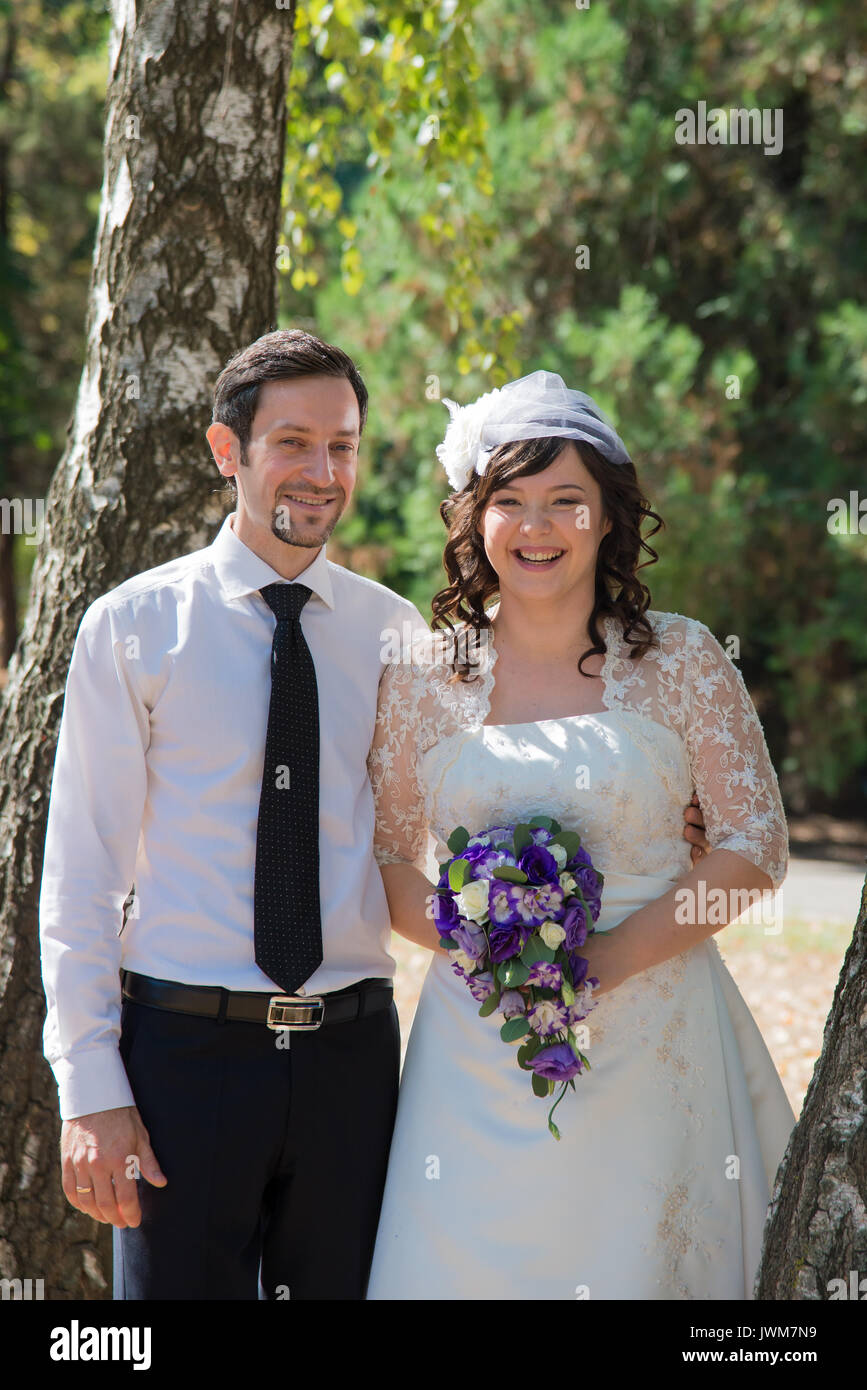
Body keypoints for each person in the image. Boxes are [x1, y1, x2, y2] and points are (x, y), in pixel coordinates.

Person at [38, 336, 711, 1301]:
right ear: (227, 451)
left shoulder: (397, 637)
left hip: (351, 1064)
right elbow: (80, 880)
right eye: (294, 443)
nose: (322, 473)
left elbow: (453, 811)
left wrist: (664, 817)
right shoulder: (134, 627)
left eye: (343, 447)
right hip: (185, 1058)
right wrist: (91, 1087)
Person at [365, 370, 796, 1300]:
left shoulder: (680, 657)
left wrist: (590, 965)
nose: (537, 527)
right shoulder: (421, 674)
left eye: (567, 502)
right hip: (477, 1041)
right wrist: (500, 960)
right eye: (510, 502)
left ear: (608, 518)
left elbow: (753, 846)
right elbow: (391, 857)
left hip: (657, 1038)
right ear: (473, 519)